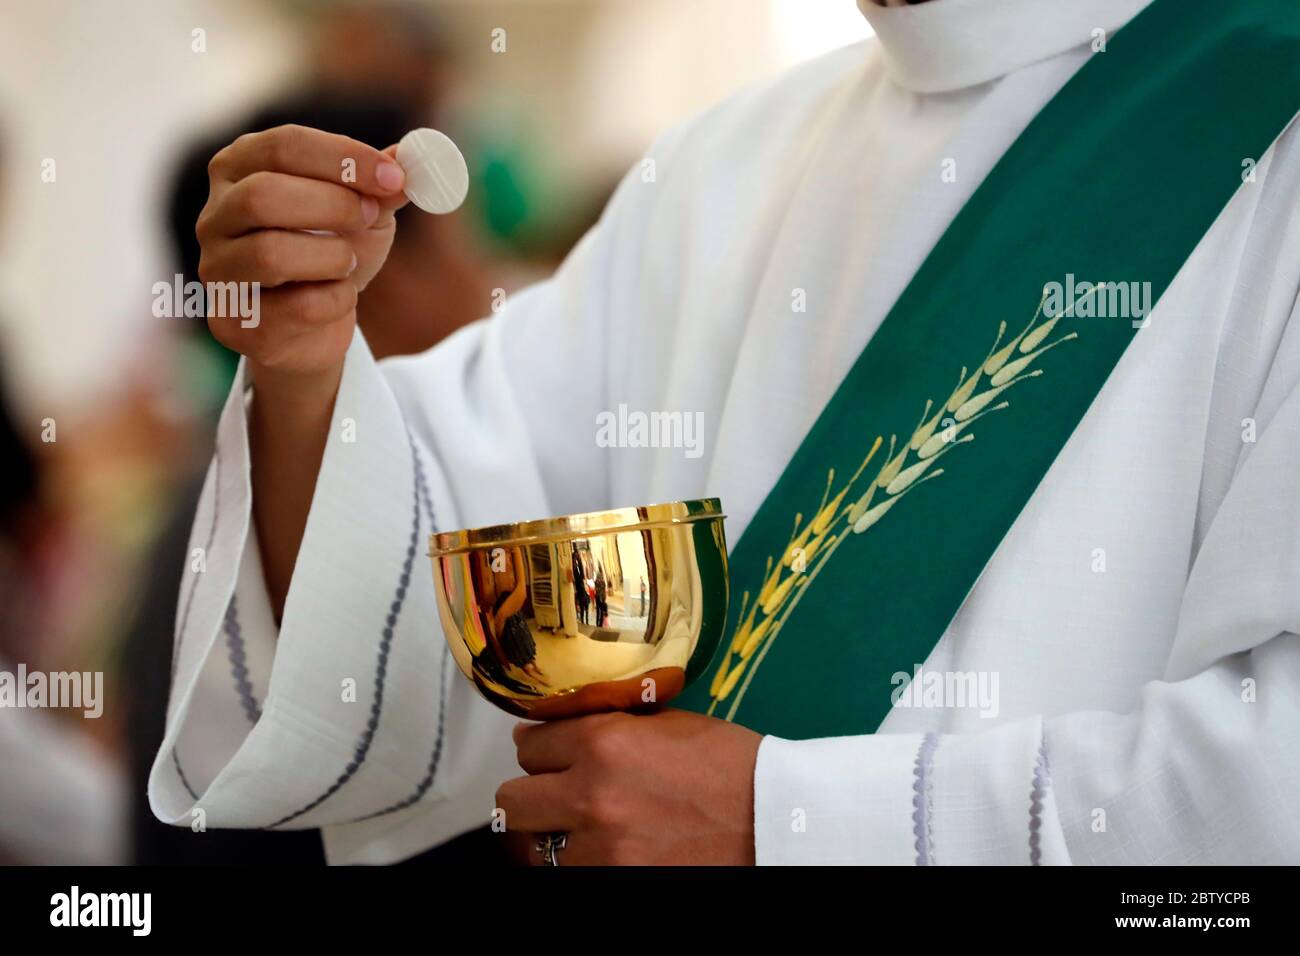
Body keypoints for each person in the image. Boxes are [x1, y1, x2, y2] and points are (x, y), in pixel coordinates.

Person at [151, 0, 1300, 865]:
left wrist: (788, 824)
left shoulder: (1266, 115)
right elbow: (412, 624)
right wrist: (306, 375)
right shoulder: (724, 165)